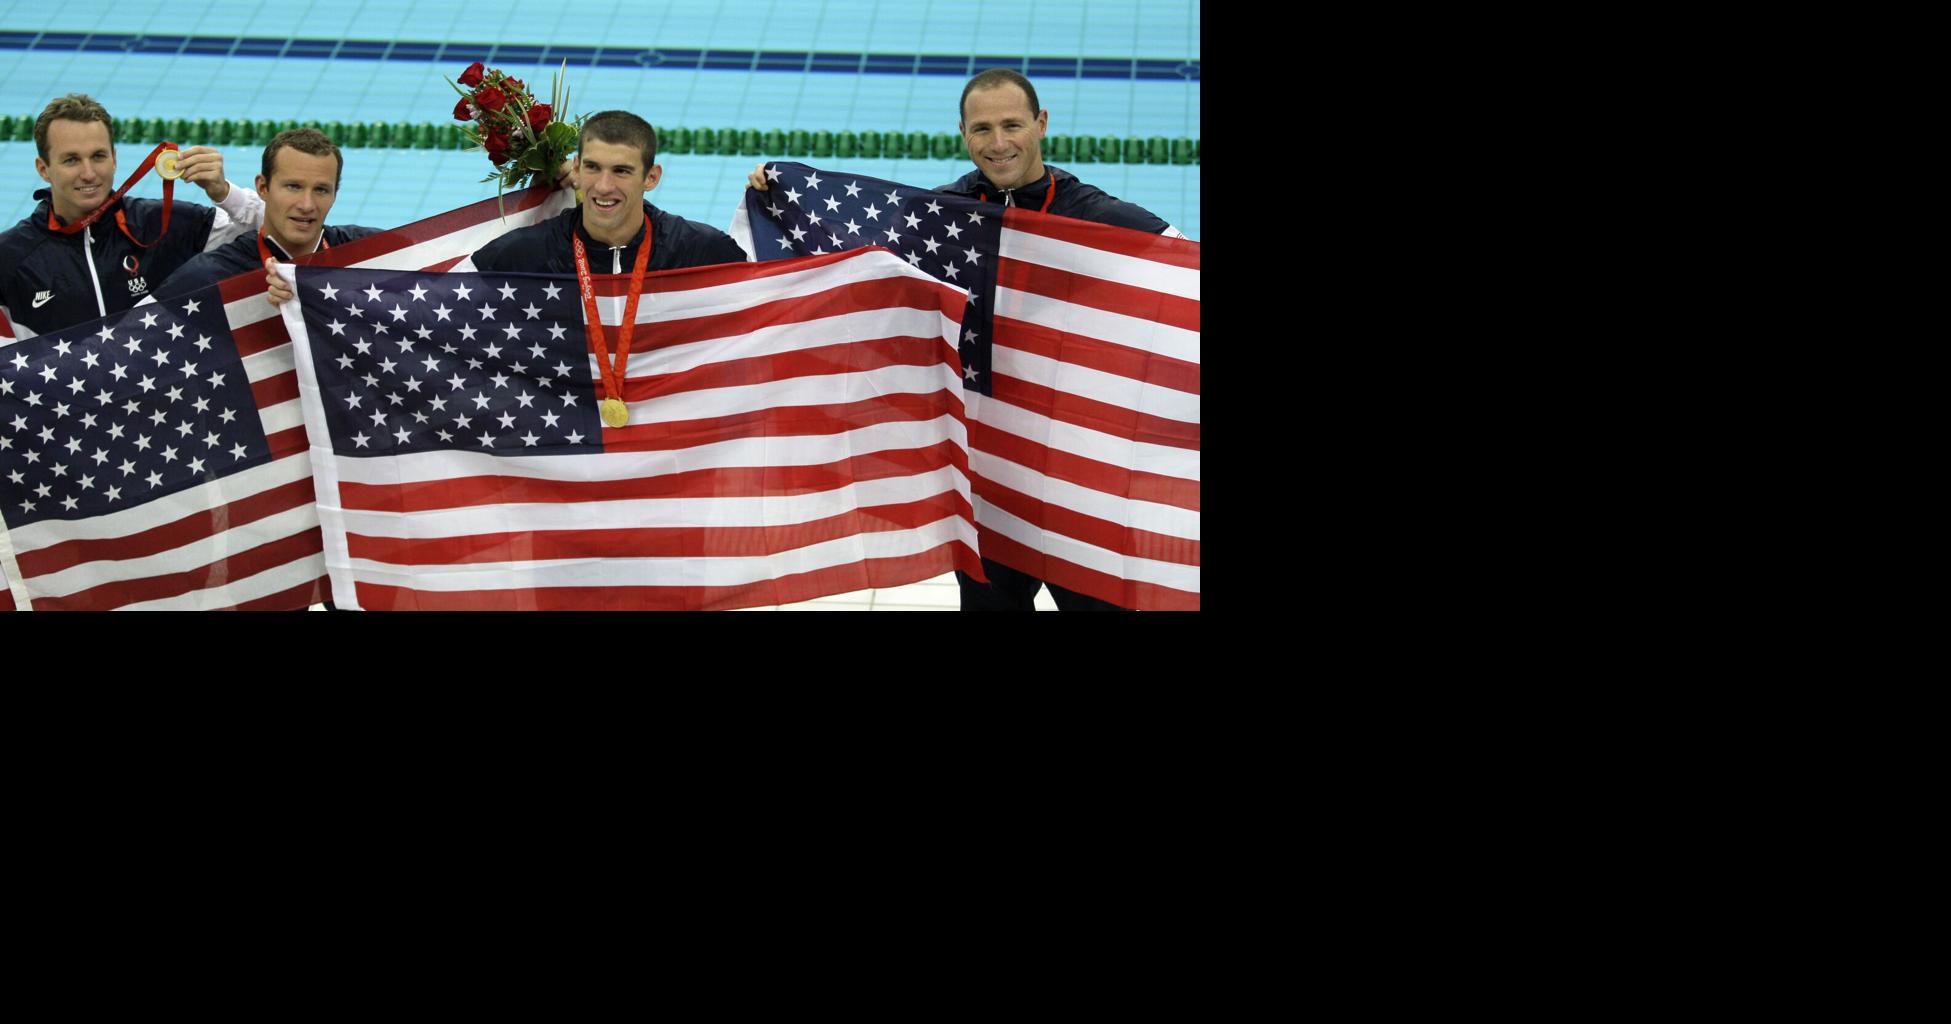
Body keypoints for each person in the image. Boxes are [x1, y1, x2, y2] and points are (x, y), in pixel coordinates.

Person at [747, 68, 1185, 610]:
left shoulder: (1099, 219)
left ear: (1041, 124)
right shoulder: (936, 218)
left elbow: (1182, 283)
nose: (998, 144)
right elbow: (852, 274)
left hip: (1074, 470)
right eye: (982, 129)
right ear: (962, 133)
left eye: (1012, 125)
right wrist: (779, 199)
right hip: (987, 474)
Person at [0, 93, 264, 339]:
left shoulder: (164, 224)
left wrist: (225, 193)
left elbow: (284, 233)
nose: (89, 173)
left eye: (98, 156)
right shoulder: (11, 258)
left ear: (114, 159)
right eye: (71, 160)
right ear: (43, 169)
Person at [459, 110, 747, 275]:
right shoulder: (521, 255)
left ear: (651, 177)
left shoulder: (701, 251)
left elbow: (774, 295)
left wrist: (772, 196)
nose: (604, 186)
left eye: (621, 171)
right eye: (593, 168)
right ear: (577, 167)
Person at [156, 128, 380, 305]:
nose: (307, 205)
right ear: (263, 188)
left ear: (334, 195)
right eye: (293, 186)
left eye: (321, 190)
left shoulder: (373, 254)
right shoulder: (212, 276)